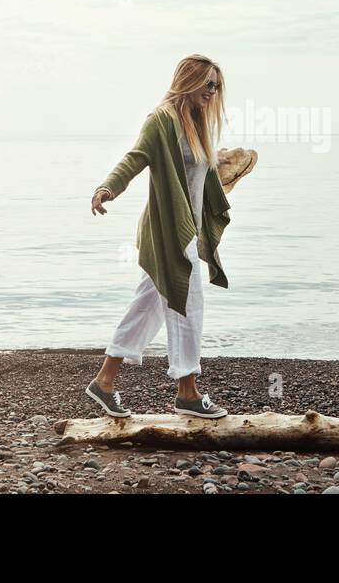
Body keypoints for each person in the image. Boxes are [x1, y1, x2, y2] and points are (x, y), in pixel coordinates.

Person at [86, 54, 233, 419]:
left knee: (147, 307)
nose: (213, 93)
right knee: (188, 303)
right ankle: (187, 391)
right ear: (190, 79)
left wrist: (220, 161)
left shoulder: (196, 125)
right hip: (168, 232)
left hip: (183, 230)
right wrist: (108, 187)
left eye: (218, 86)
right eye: (208, 84)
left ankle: (103, 382)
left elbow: (196, 174)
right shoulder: (161, 120)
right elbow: (135, 157)